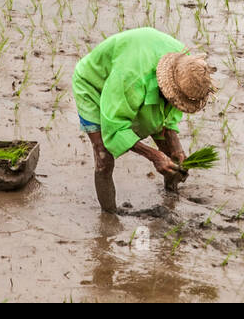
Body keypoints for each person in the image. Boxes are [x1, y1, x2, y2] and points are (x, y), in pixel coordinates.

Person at [71, 27, 216, 212]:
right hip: (94, 85)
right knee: (103, 157)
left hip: (138, 80)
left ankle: (171, 197)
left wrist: (176, 147)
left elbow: (168, 115)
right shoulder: (130, 79)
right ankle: (109, 219)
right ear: (168, 85)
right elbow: (114, 128)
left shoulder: (187, 65)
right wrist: (154, 156)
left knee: (170, 153)